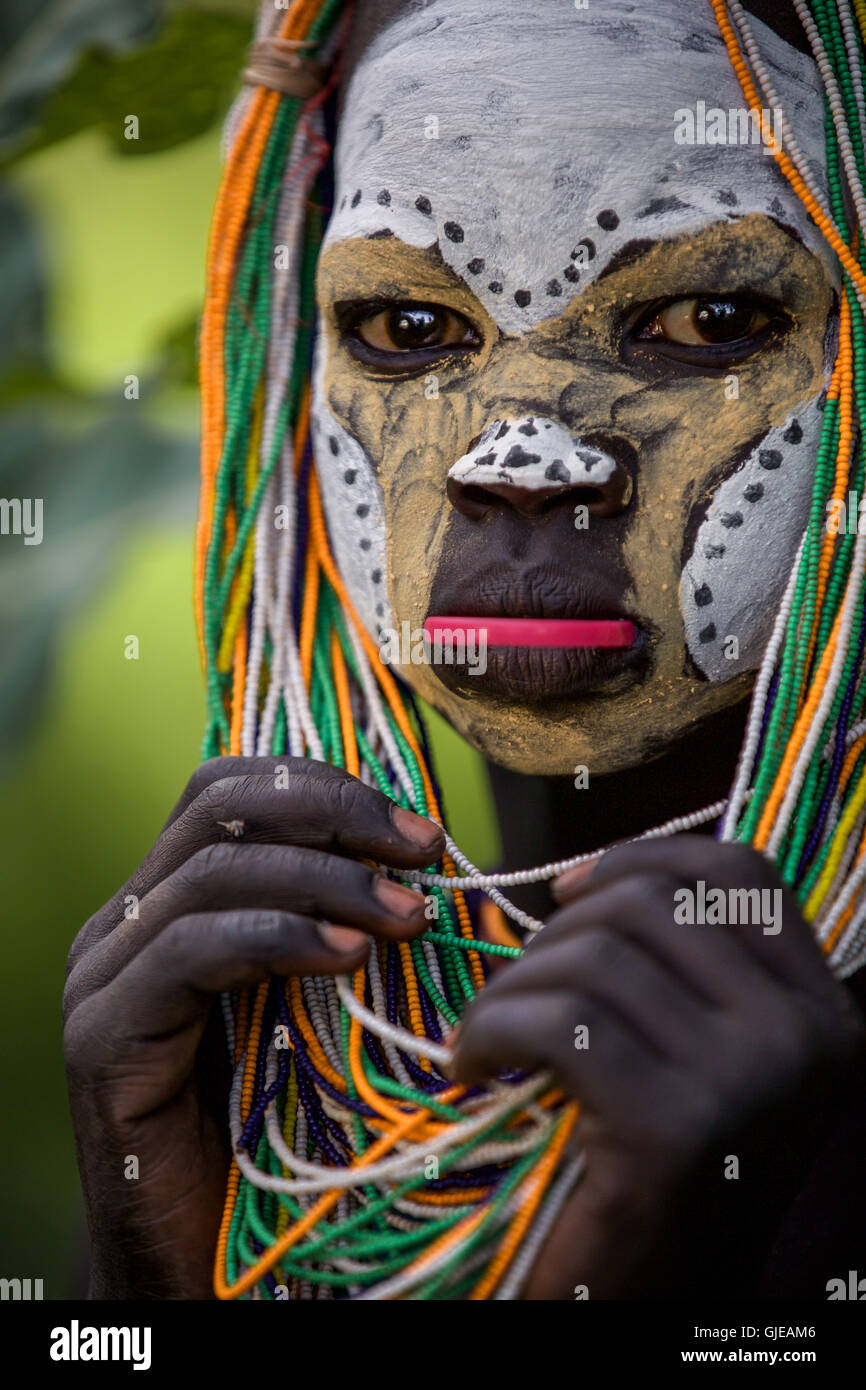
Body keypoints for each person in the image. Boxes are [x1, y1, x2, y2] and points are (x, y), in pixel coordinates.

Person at [64, 0, 866, 1300]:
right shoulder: (251, 1063)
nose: (522, 461)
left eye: (711, 319)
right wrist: (151, 1249)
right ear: (285, 377)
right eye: (407, 331)